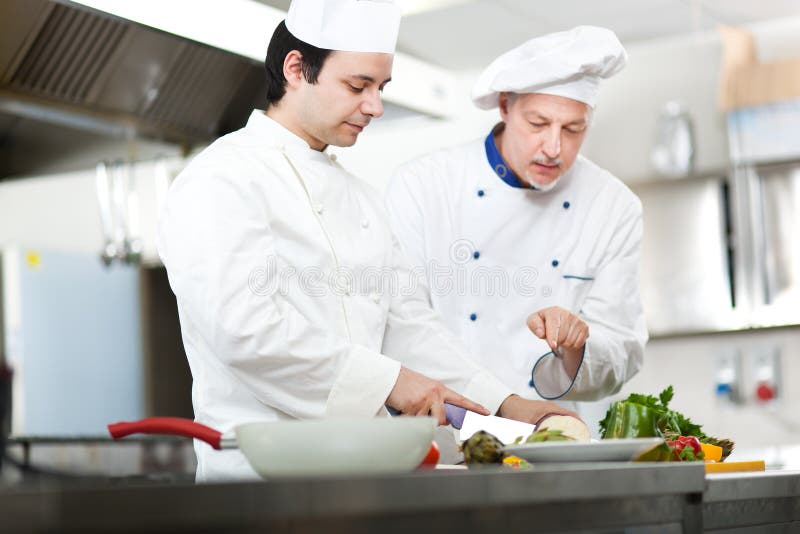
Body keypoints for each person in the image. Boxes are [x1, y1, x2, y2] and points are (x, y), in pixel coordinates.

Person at [158, 0, 575, 481]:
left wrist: (506, 404)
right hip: (260, 485)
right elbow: (245, 331)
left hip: (366, 479)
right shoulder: (221, 179)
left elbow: (409, 325)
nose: (375, 105)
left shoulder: (363, 200)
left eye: (381, 87)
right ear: (296, 69)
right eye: (358, 86)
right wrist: (390, 383)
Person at [385, 26, 648, 422]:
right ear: (505, 106)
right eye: (539, 124)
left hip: (553, 433)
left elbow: (624, 347)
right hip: (447, 427)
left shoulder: (612, 206)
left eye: (573, 129)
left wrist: (578, 347)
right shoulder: (424, 186)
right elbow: (402, 323)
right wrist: (495, 405)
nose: (554, 148)